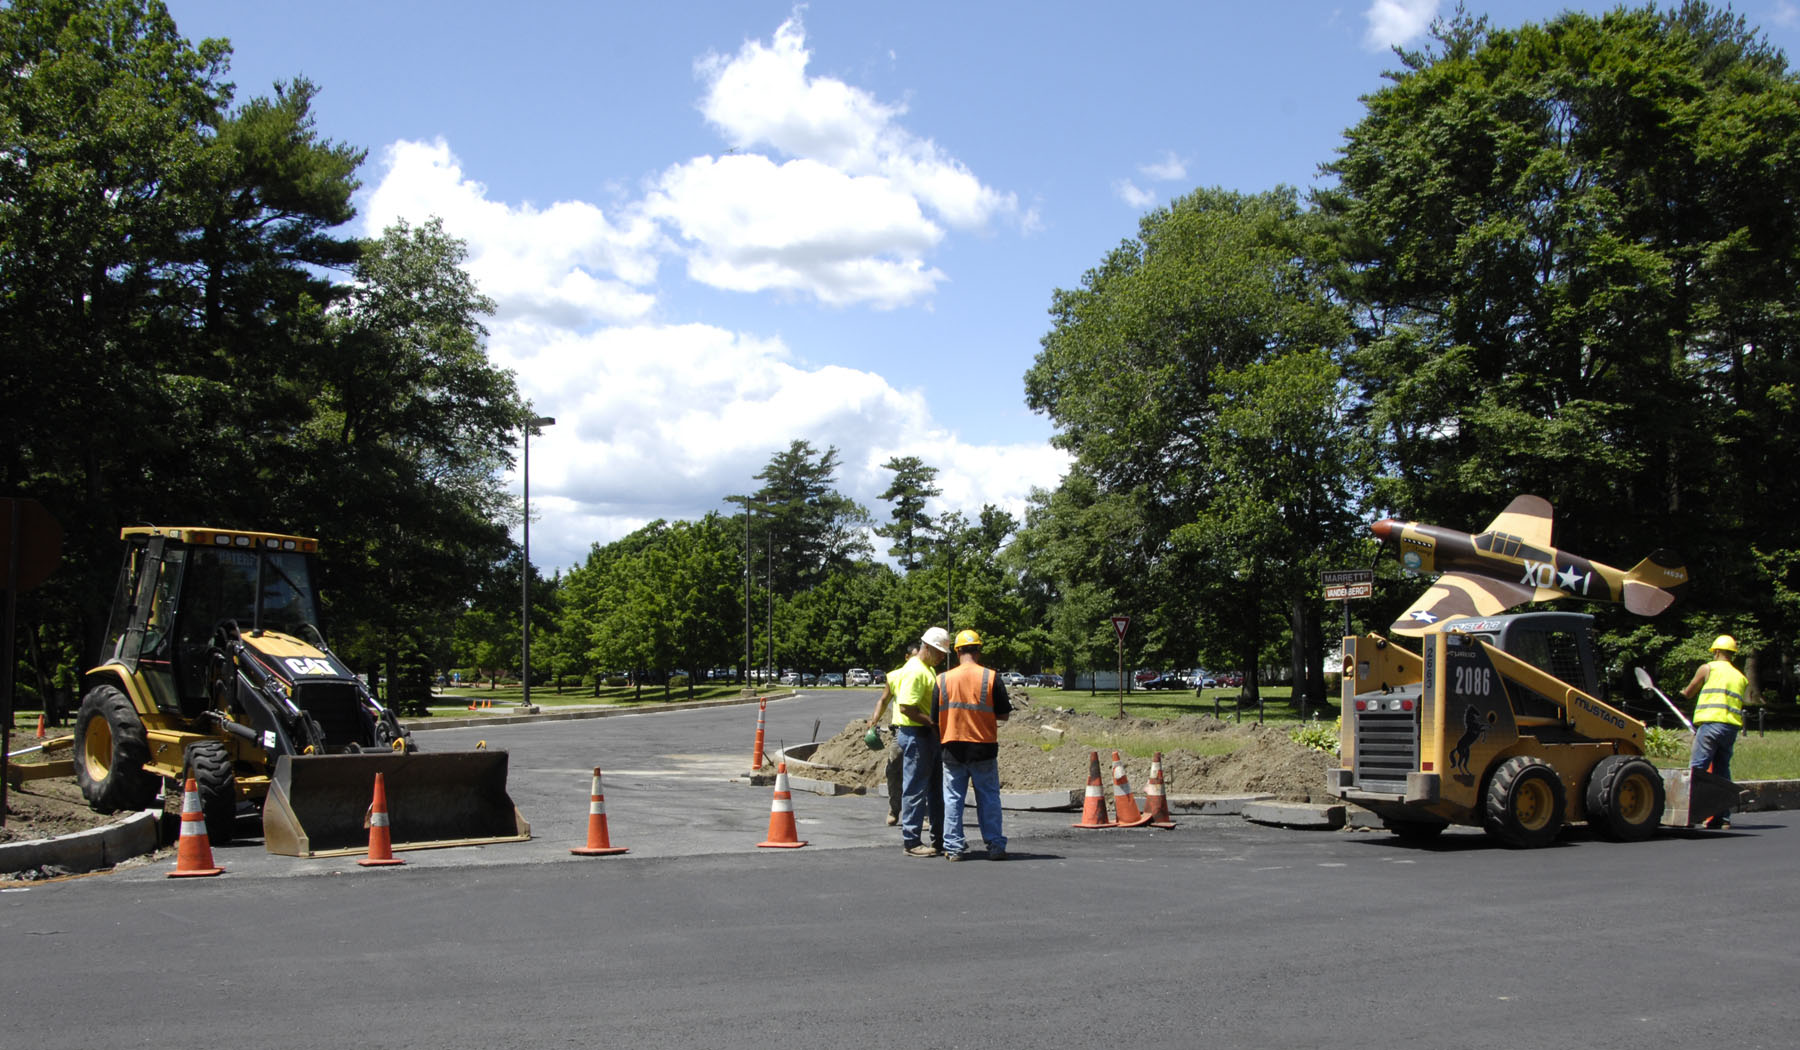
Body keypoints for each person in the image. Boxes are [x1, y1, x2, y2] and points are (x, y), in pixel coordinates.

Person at [934, 629, 1012, 861]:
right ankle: (995, 846)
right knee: (988, 798)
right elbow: (1004, 715)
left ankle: (954, 848)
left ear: (957, 651)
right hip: (983, 748)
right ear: (978, 650)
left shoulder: (943, 679)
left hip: (952, 748)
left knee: (952, 799)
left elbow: (933, 716)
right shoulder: (990, 677)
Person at [887, 627, 950, 856]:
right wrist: (933, 724)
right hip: (917, 735)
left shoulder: (927, 669)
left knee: (934, 790)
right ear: (928, 647)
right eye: (940, 652)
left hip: (925, 736)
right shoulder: (915, 671)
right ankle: (911, 842)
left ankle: (938, 840)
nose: (942, 657)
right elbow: (907, 708)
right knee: (915, 789)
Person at [1681, 634, 1748, 829]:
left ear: (1716, 651)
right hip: (1730, 728)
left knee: (1697, 769)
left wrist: (1684, 693)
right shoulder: (1740, 677)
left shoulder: (1708, 668)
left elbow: (1690, 692)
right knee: (1721, 772)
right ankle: (1723, 818)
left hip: (1711, 725)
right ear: (1732, 654)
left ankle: (1690, 815)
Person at [867, 642, 920, 826]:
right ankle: (894, 808)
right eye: (913, 656)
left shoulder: (927, 674)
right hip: (901, 731)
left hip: (923, 730)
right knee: (893, 769)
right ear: (906, 657)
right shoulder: (896, 676)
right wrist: (873, 721)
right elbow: (883, 700)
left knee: (922, 772)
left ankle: (926, 814)